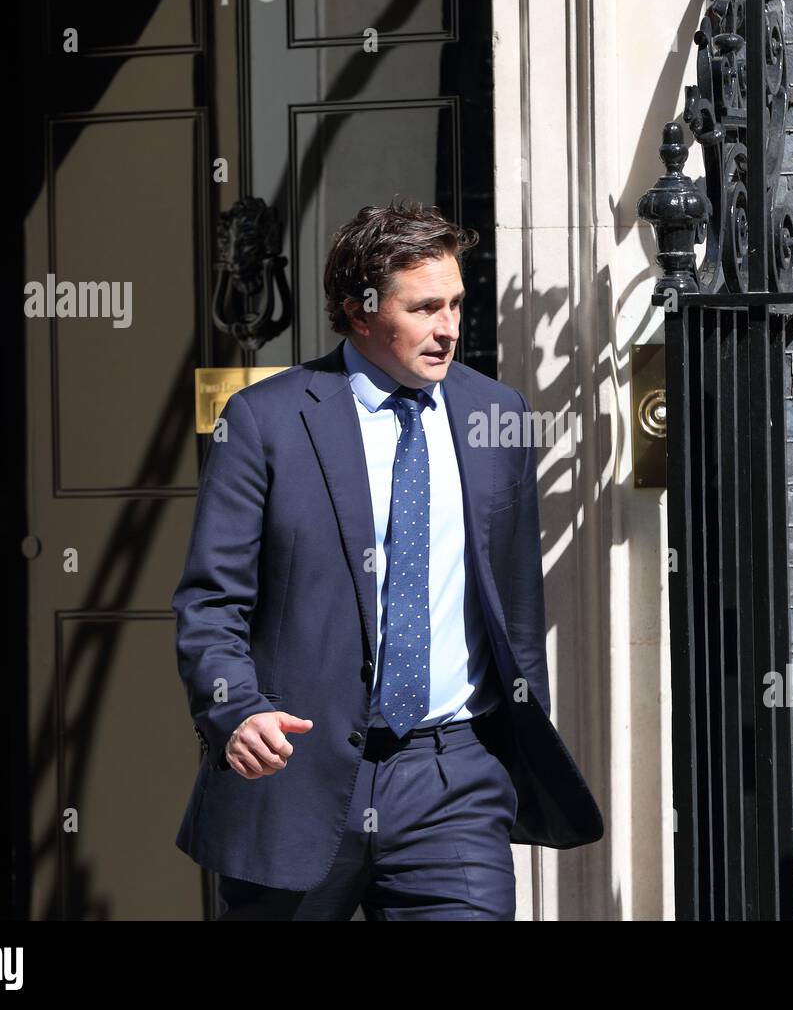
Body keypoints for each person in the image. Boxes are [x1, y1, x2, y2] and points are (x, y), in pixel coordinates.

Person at [172, 198, 603, 920]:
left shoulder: (497, 415)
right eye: (425, 307)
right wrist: (236, 712)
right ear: (361, 309)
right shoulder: (267, 421)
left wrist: (514, 746)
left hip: (453, 780)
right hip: (297, 778)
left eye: (457, 304)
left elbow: (517, 608)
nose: (449, 329)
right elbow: (211, 602)